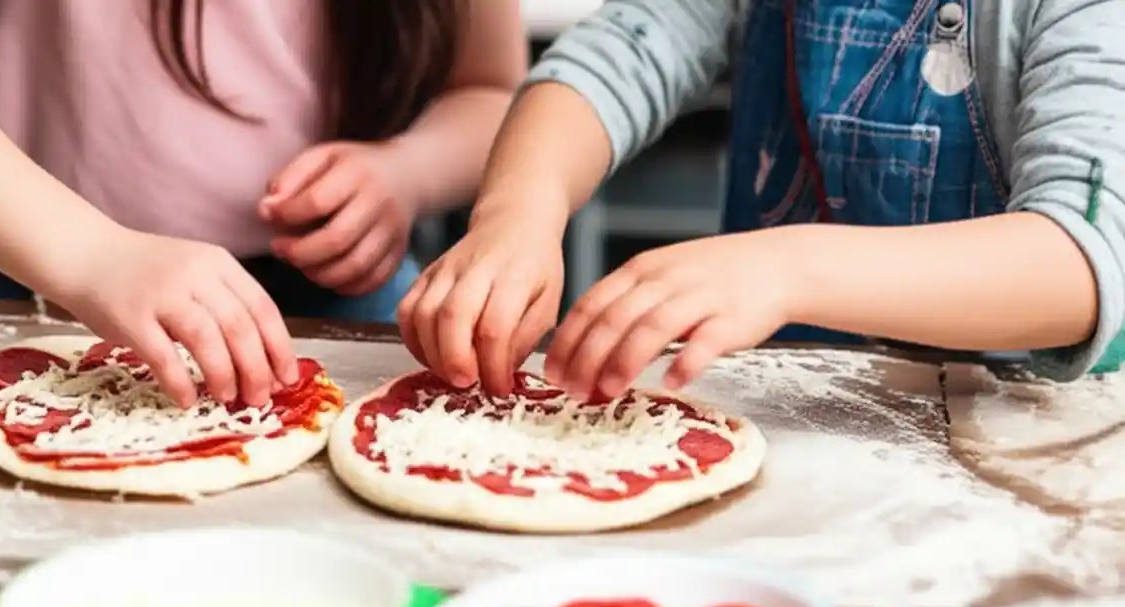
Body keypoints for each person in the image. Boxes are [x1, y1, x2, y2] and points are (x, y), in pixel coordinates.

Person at [400, 0, 1125, 401]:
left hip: (1014, 435)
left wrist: (789, 269)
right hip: (787, 407)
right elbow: (612, 57)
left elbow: (1081, 260)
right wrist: (517, 212)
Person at [0, 0, 525, 406]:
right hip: (51, 296)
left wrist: (407, 172)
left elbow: (489, 90)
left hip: (349, 302)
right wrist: (91, 255)